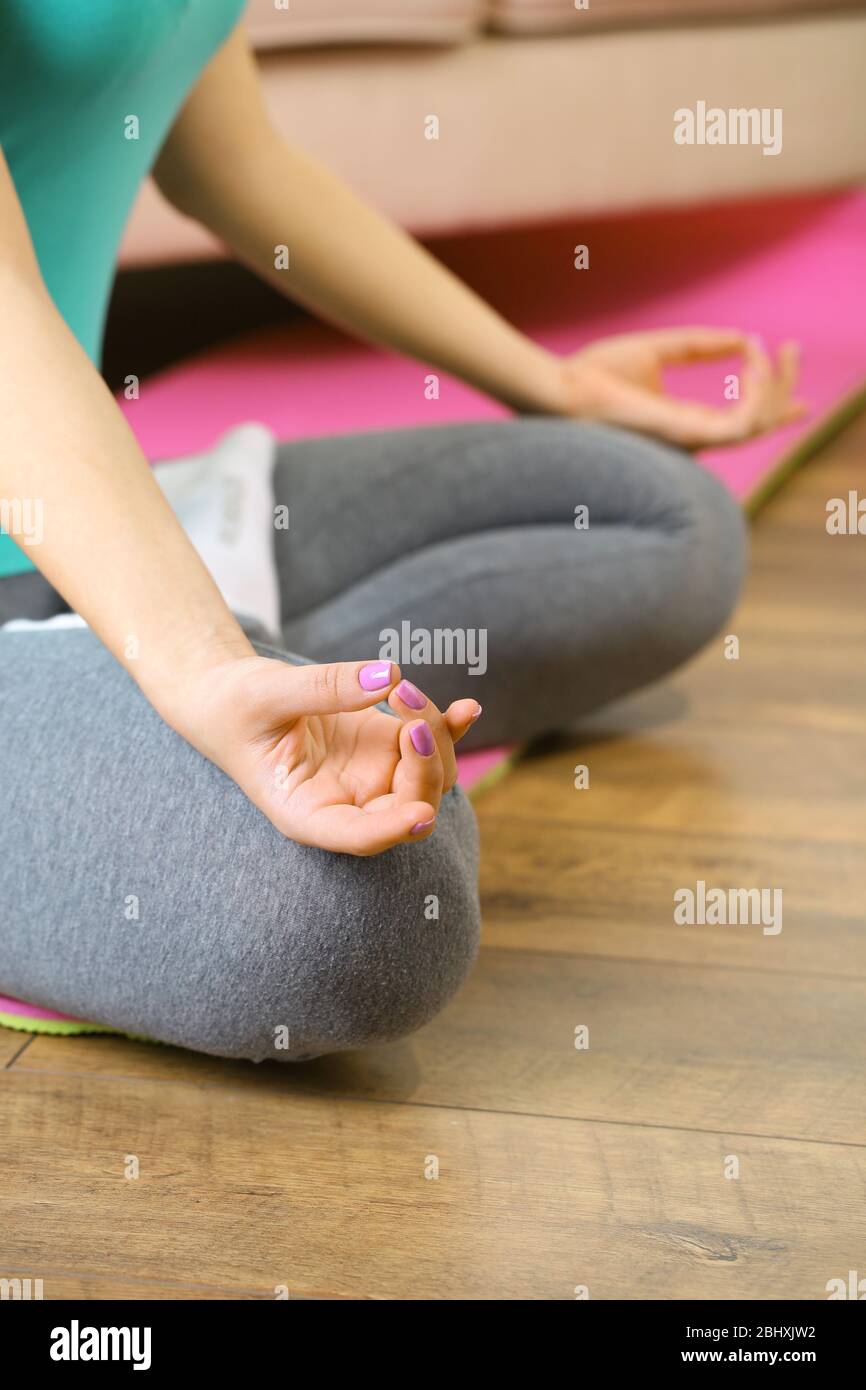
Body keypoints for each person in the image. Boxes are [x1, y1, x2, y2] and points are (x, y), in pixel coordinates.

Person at [0, 8, 803, 1061]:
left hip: (74, 507)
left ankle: (145, 657)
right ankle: (157, 672)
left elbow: (236, 164)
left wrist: (550, 379)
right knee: (369, 911)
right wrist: (199, 669)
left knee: (664, 520)